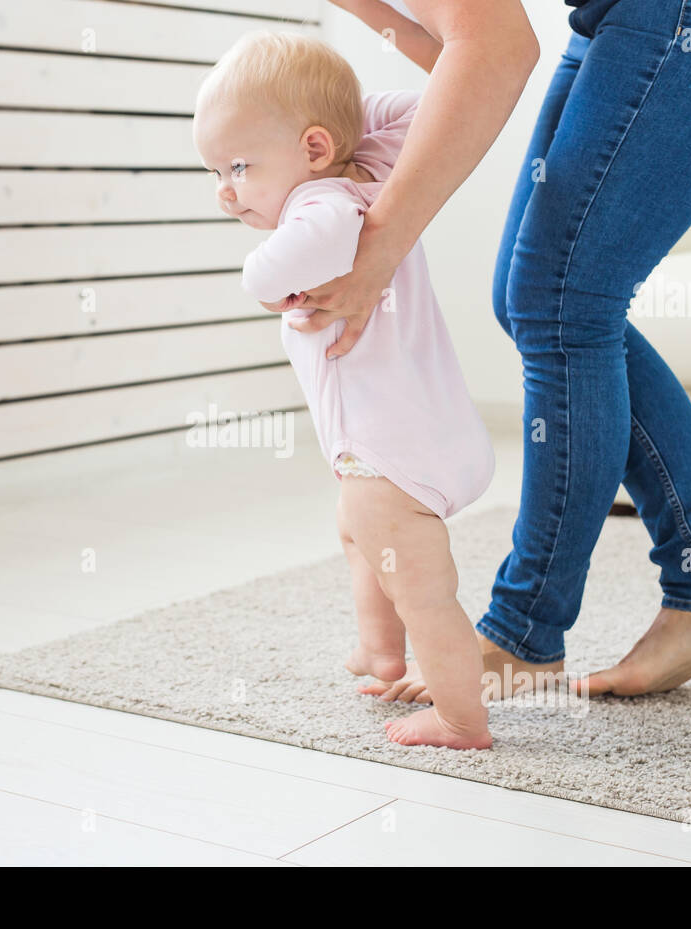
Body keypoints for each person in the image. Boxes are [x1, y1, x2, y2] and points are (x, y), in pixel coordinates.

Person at [292, 0, 691, 703]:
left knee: (563, 305)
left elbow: (494, 51)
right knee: (536, 301)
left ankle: (523, 633)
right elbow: (454, 53)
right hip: (633, 15)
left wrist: (382, 242)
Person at [193, 30, 497, 748]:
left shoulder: (321, 204)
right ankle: (380, 652)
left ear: (314, 148)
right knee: (358, 534)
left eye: (238, 165)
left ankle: (461, 716)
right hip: (420, 438)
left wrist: (260, 280)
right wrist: (317, 112)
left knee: (424, 590)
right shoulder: (377, 168)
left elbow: (267, 277)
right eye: (213, 171)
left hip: (386, 450)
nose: (225, 192)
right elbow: (428, 105)